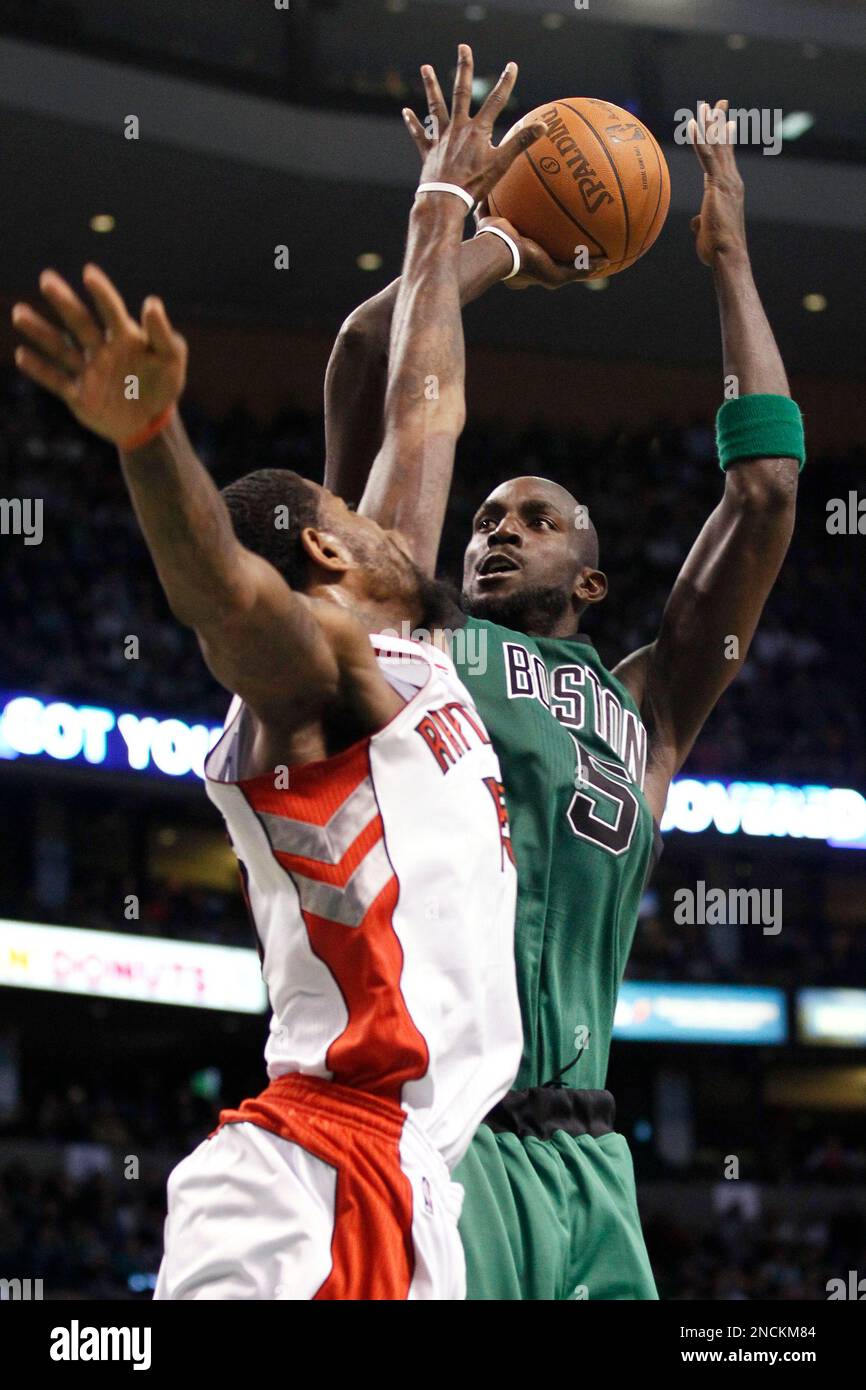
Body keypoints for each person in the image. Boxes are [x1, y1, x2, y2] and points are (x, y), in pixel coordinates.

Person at [10, 49, 548, 1298]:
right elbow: (222, 597)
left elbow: (423, 405)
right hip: (305, 1176)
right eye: (347, 512)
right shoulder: (314, 679)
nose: (390, 513)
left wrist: (443, 205)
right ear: (320, 544)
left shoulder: (400, 635)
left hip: (421, 1185)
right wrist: (150, 440)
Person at [322, 85, 805, 1299]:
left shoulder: (645, 710)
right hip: (446, 1139)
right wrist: (490, 244)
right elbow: (363, 355)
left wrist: (729, 256)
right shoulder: (411, 645)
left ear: (589, 577)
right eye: (483, 516)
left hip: (595, 1170)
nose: (494, 530)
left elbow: (764, 494)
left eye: (533, 520)